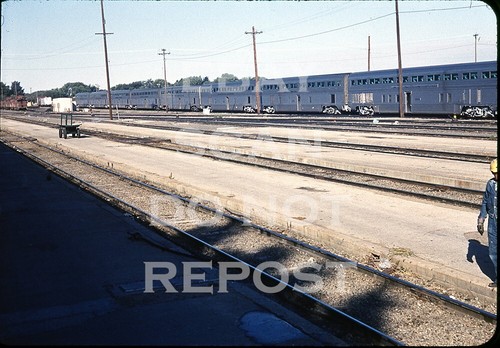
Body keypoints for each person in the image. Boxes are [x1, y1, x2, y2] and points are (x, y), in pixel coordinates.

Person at [477, 158, 497, 287]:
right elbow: (485, 202)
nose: (495, 176)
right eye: (493, 173)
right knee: (493, 251)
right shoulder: (490, 184)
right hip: (493, 222)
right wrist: (481, 220)